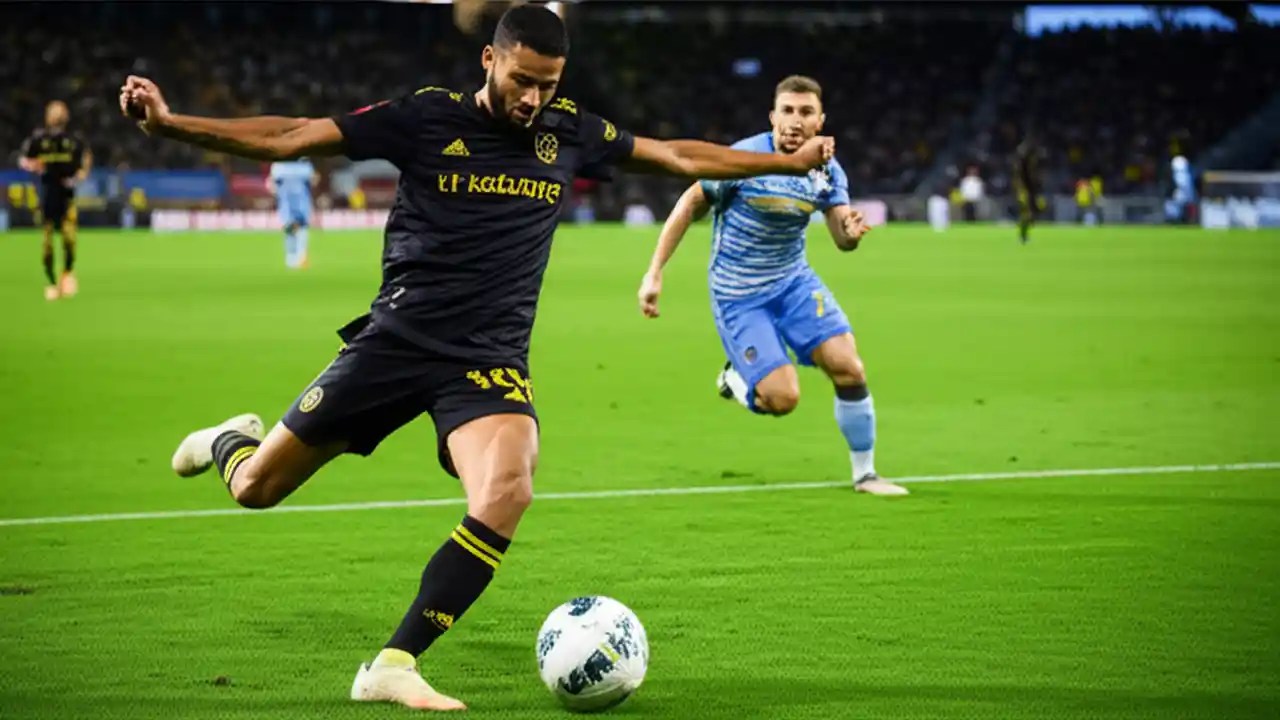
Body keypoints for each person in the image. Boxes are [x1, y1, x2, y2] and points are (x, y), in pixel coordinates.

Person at [120, 5, 834, 711]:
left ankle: (393, 665)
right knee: (256, 490)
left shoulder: (569, 132)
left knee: (508, 488)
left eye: (548, 84)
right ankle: (228, 442)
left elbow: (680, 154)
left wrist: (785, 161)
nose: (533, 99)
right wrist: (172, 124)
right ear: (489, 61)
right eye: (523, 79)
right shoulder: (426, 117)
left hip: (487, 359)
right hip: (396, 344)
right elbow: (293, 137)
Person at [636, 75, 906, 497]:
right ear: (772, 116)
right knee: (782, 399)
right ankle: (737, 381)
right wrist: (655, 272)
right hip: (739, 296)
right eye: (787, 111)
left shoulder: (827, 169)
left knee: (849, 366)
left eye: (805, 112)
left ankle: (865, 474)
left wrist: (851, 232)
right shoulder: (742, 159)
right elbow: (690, 203)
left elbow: (840, 238)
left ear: (820, 121)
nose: (795, 121)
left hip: (793, 284)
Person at [18, 101, 92, 300]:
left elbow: (85, 160)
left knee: (69, 238)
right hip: (46, 194)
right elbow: (23, 159)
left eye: (61, 112)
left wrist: (78, 176)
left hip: (66, 196)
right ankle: (51, 283)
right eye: (54, 112)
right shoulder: (39, 139)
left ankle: (67, 275)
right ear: (48, 116)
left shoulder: (73, 140)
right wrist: (33, 165)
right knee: (48, 243)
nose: (58, 115)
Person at [266, 159, 317, 268]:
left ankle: (294, 257)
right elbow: (314, 181)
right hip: (296, 203)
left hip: (290, 204)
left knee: (294, 229)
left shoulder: (279, 167)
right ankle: (297, 256)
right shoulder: (304, 166)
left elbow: (271, 185)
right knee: (297, 229)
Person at [1013, 135, 1043, 244]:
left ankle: (1024, 235)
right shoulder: (1023, 163)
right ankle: (1022, 236)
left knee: (1030, 213)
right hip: (1023, 189)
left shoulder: (1025, 162)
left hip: (1027, 189)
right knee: (1026, 213)